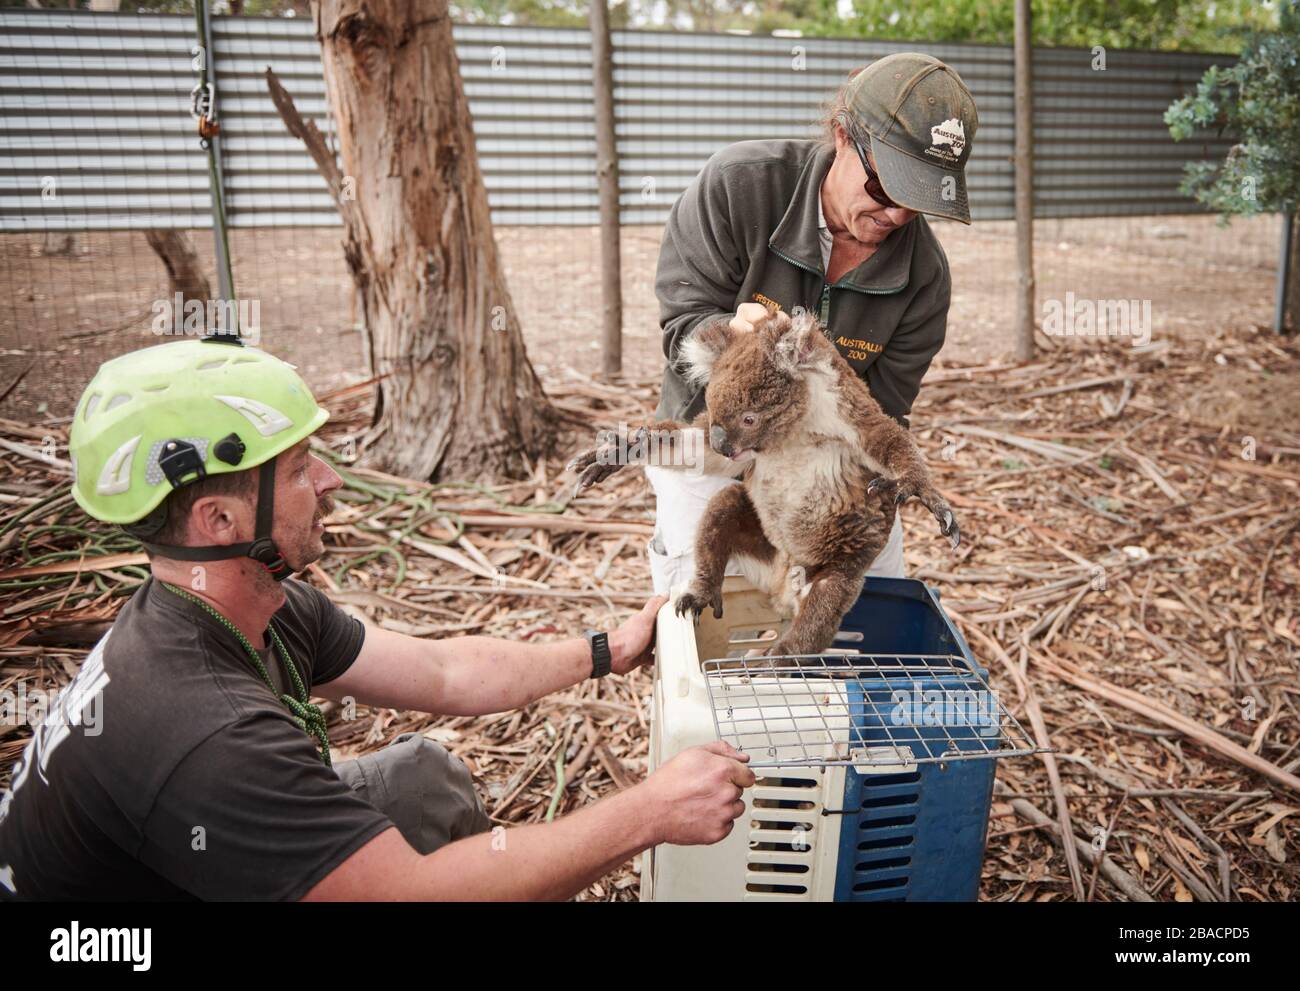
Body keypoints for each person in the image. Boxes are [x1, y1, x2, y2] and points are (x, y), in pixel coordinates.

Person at [0, 336, 754, 901]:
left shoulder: (248, 602)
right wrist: (649, 813)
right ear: (219, 516)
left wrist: (605, 648)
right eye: (298, 469)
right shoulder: (206, 733)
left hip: (192, 847)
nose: (329, 480)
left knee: (423, 780)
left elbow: (444, 670)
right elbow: (408, 895)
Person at [646, 52, 979, 595]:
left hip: (830, 463)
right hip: (715, 445)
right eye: (883, 189)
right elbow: (681, 325)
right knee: (706, 609)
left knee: (864, 605)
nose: (895, 216)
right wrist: (730, 337)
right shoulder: (737, 187)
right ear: (843, 134)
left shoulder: (924, 278)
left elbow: (884, 411)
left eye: (916, 202)